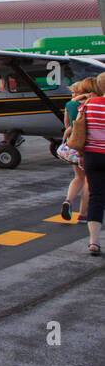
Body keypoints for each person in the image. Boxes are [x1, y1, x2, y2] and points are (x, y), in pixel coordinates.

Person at [60, 77, 95, 220]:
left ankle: (68, 200)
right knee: (88, 180)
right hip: (86, 146)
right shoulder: (91, 103)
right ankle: (83, 214)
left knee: (78, 177)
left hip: (73, 145)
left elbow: (68, 126)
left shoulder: (70, 105)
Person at [79, 73, 105, 255]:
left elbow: (80, 130)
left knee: (96, 197)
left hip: (92, 155)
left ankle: (94, 242)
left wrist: (81, 154)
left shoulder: (88, 105)